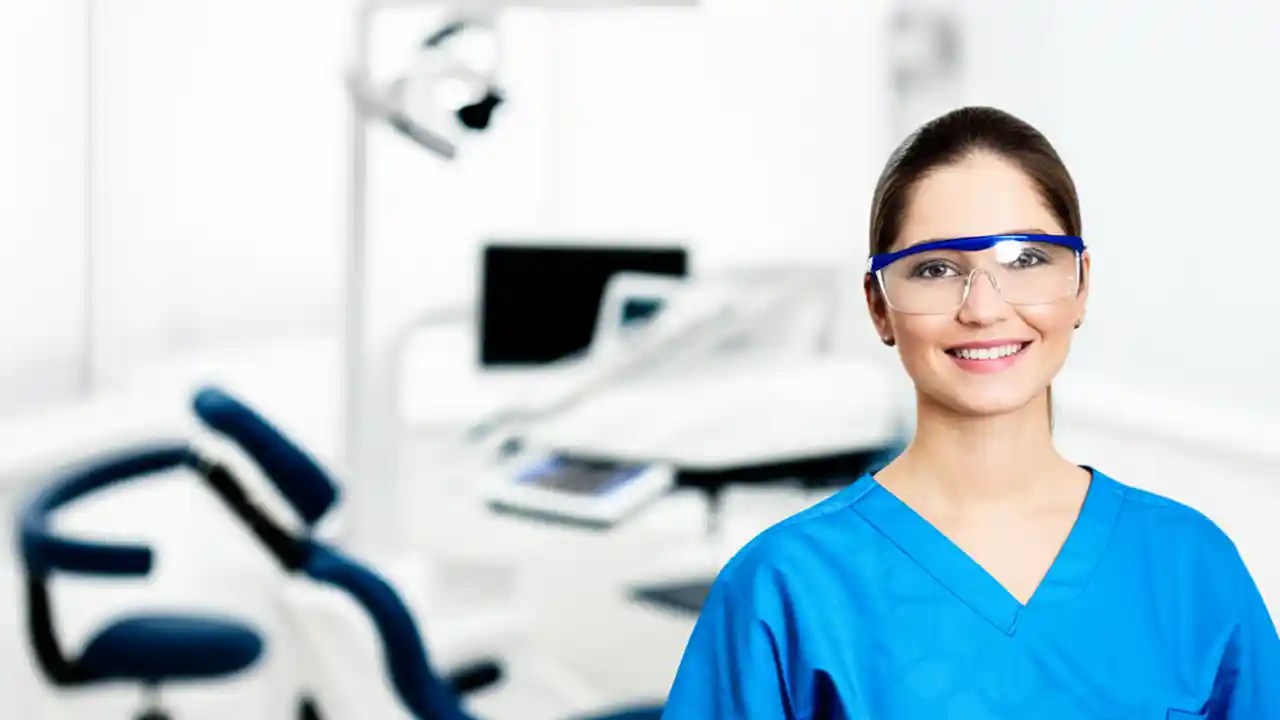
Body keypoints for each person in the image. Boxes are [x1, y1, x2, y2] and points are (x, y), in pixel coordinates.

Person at [659, 106, 1280, 718]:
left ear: (1081, 283)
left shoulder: (1189, 568)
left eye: (1026, 259)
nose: (983, 308)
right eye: (935, 269)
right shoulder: (786, 590)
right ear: (879, 306)